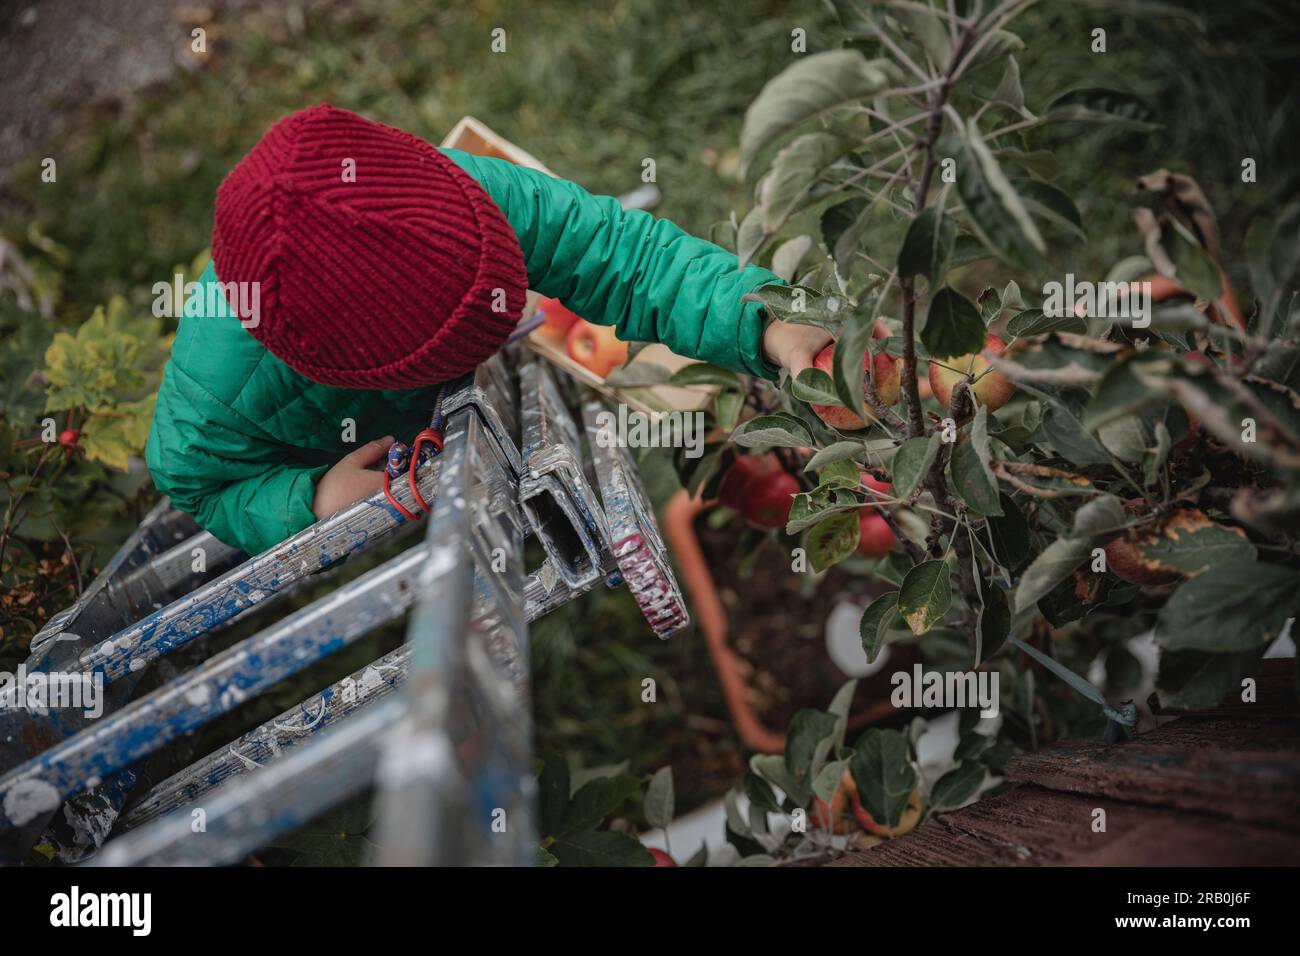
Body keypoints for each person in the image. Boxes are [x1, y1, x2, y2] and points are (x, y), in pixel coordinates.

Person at [145, 104, 829, 555]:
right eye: (455, 339)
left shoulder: (461, 193)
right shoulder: (215, 397)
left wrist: (773, 324)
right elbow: (202, 487)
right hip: (372, 447)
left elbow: (628, 256)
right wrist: (311, 499)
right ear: (335, 369)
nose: (506, 318)